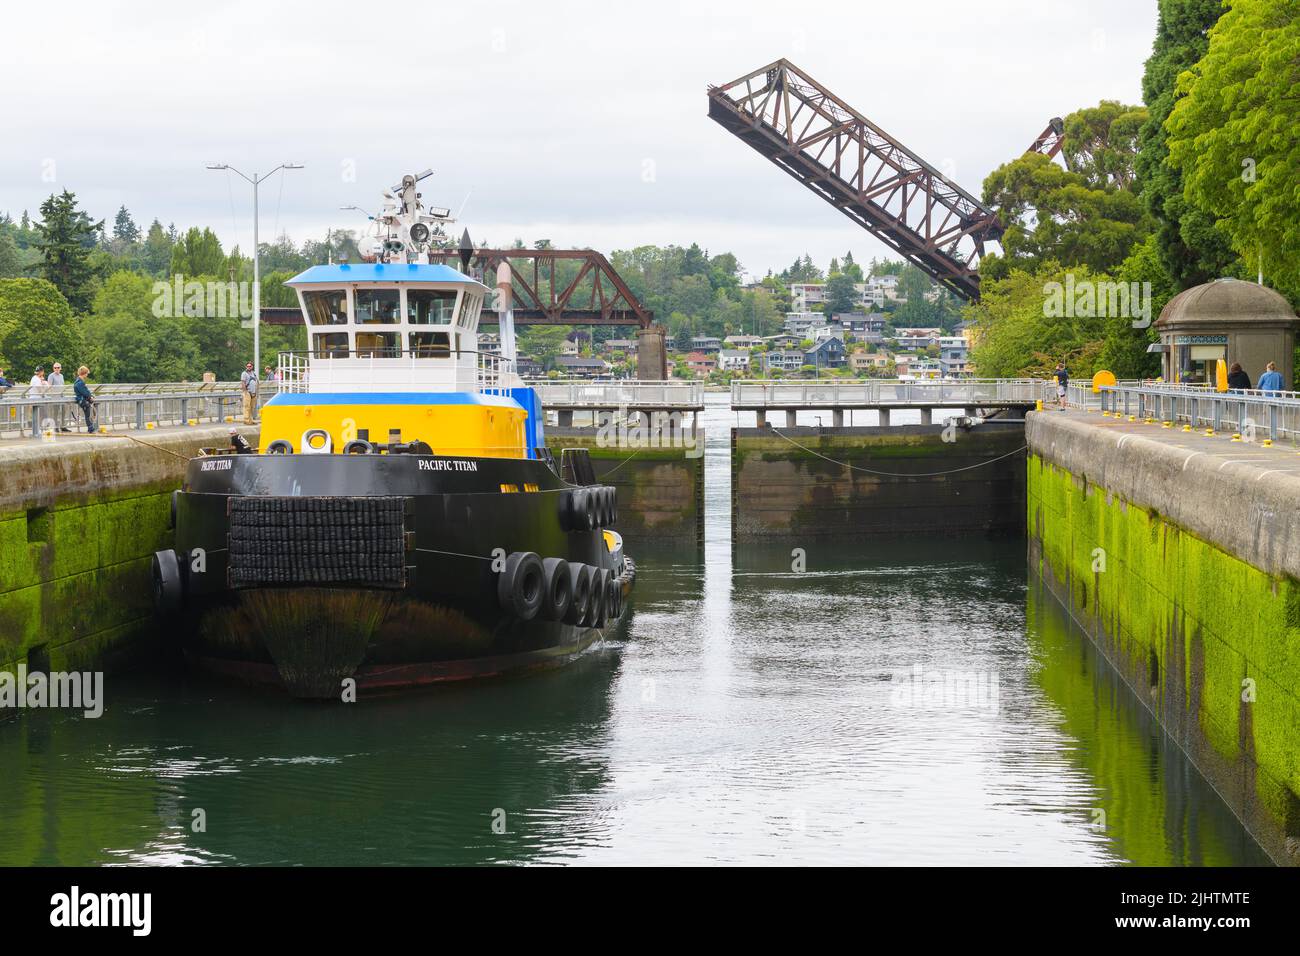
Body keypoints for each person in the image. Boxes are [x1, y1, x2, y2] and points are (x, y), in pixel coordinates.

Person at [73, 365, 97, 433]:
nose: (87, 375)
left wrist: (90, 395)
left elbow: (85, 391)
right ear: (84, 373)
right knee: (88, 415)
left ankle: (91, 428)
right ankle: (90, 428)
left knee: (88, 414)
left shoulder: (79, 381)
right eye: (86, 374)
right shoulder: (80, 382)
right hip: (82, 400)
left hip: (82, 400)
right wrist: (90, 397)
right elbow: (85, 392)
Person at [46, 362, 70, 431]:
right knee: (55, 412)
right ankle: (55, 427)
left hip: (61, 396)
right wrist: (52, 396)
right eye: (55, 368)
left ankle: (63, 426)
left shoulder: (61, 376)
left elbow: (62, 386)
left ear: (60, 368)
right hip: (55, 397)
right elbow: (49, 387)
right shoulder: (51, 376)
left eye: (58, 367)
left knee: (63, 411)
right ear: (53, 368)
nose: (56, 369)